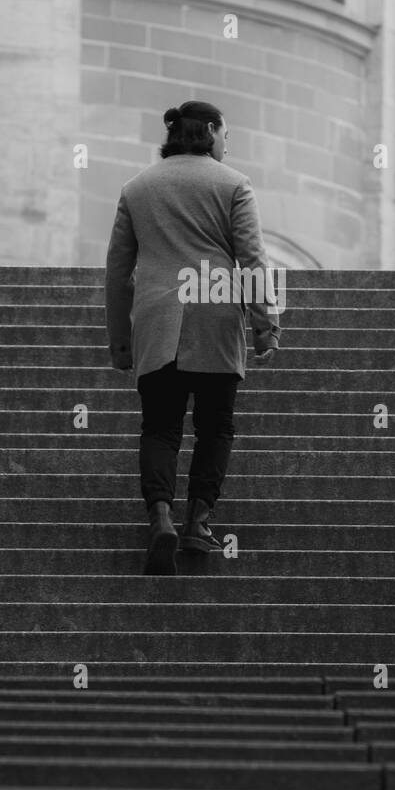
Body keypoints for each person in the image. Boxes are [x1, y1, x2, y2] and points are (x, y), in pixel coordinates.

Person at [104, 100, 281, 575]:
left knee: (160, 427)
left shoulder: (136, 188)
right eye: (226, 133)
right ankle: (199, 524)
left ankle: (159, 516)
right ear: (210, 132)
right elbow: (253, 261)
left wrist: (121, 341)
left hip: (158, 323)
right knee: (215, 427)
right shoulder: (233, 184)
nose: (229, 142)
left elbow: (119, 271)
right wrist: (265, 325)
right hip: (217, 320)